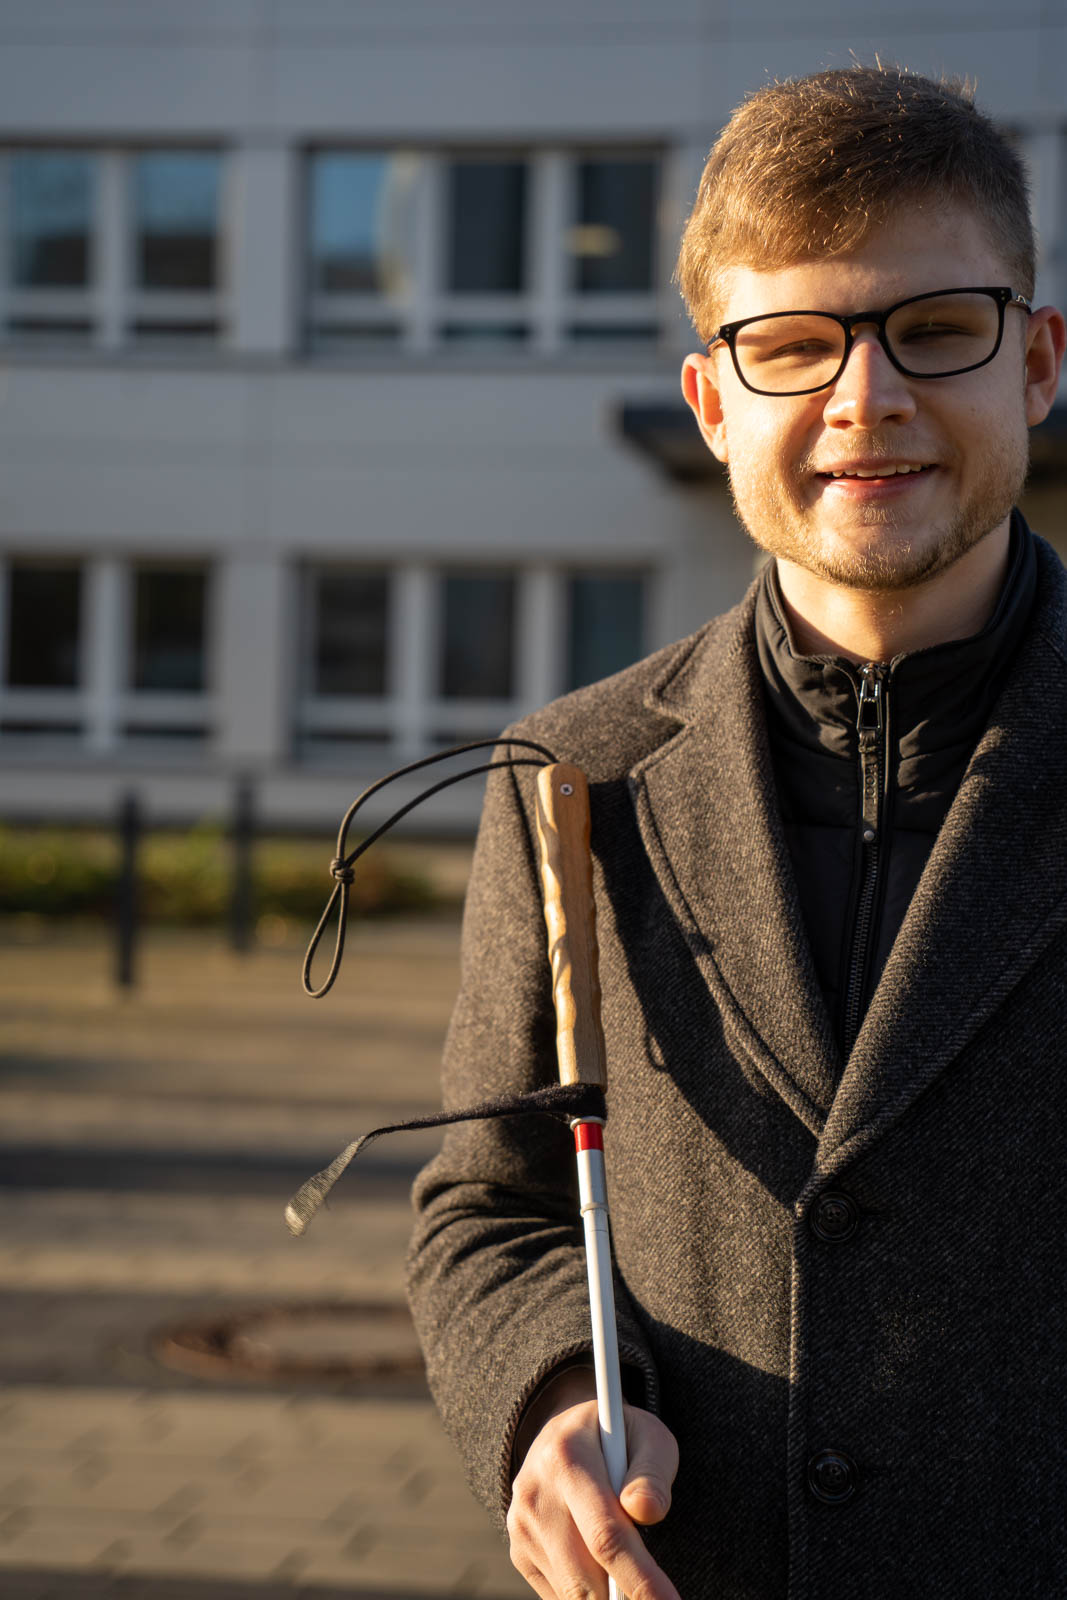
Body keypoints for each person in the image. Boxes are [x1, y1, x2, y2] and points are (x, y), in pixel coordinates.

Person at [406, 65, 1067, 1599]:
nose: (867, 398)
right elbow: (492, 1206)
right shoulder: (570, 773)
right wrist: (551, 1396)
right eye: (791, 347)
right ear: (713, 403)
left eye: (936, 329)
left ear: (1035, 361)